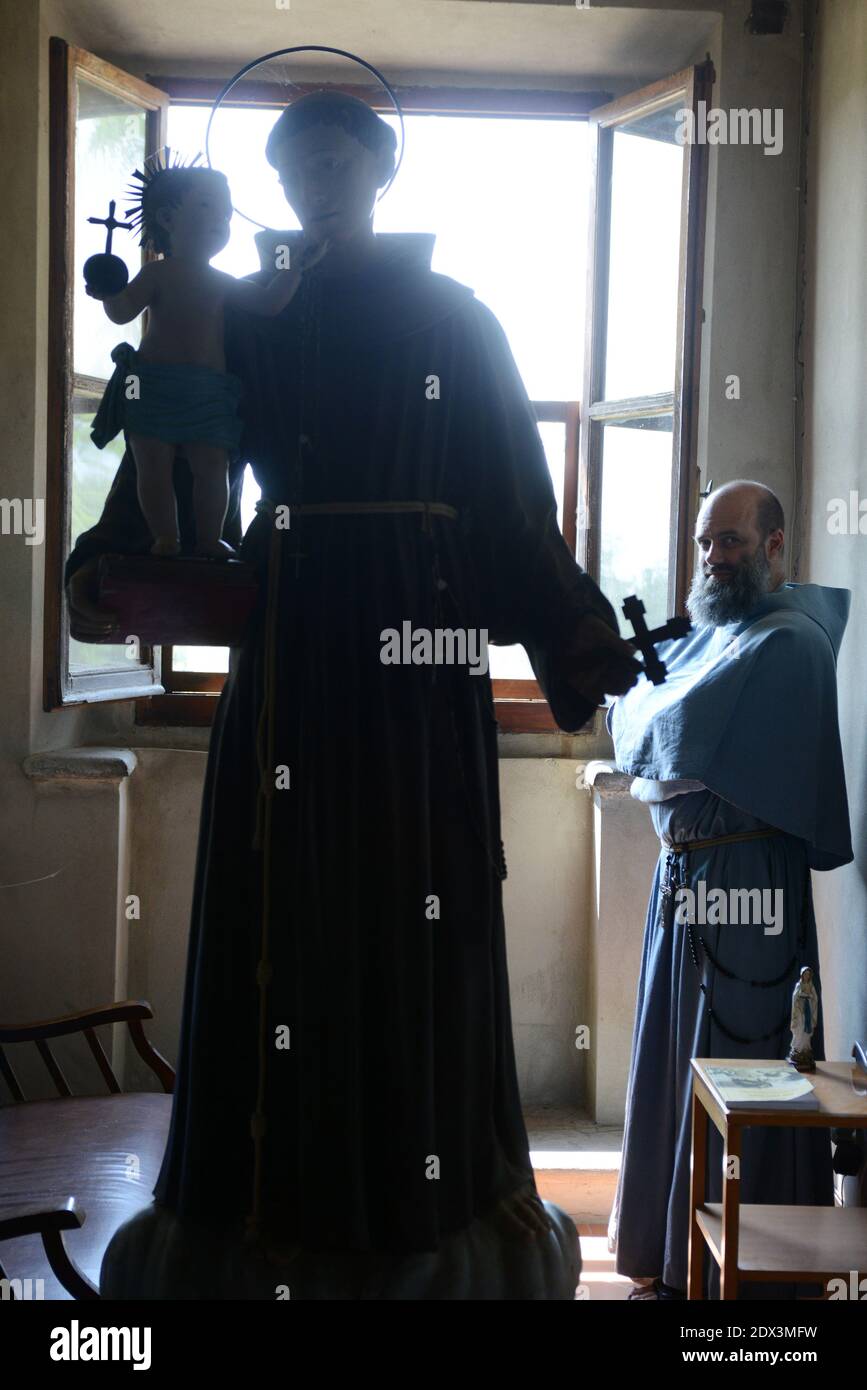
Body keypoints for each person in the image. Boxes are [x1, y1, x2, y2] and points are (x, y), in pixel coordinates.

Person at [67, 89, 641, 1299]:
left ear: (380, 170)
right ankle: (251, 1225)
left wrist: (579, 637)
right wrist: (113, 556)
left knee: (412, 908)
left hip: (420, 657)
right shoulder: (249, 316)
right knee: (283, 901)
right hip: (293, 645)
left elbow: (513, 504)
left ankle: (429, 1226)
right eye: (295, 164)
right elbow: (185, 426)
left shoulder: (455, 318)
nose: (317, 179)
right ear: (276, 184)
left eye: (338, 158)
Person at [606, 479, 852, 1300]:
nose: (713, 557)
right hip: (685, 883)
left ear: (776, 546)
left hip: (748, 890)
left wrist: (661, 767)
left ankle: (740, 1281)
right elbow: (633, 719)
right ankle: (664, 1254)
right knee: (673, 1056)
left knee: (735, 1062)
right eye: (705, 541)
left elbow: (664, 747)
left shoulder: (789, 645)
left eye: (732, 541)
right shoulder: (716, 634)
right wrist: (660, 766)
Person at [86, 161, 329, 558]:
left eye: (226, 212)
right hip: (154, 387)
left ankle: (207, 540)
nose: (220, 220)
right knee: (153, 468)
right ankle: (165, 537)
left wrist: (294, 269)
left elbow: (268, 303)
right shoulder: (157, 274)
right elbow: (124, 311)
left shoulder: (220, 280)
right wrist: (110, 291)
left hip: (208, 392)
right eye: (206, 206)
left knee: (212, 467)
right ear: (167, 217)